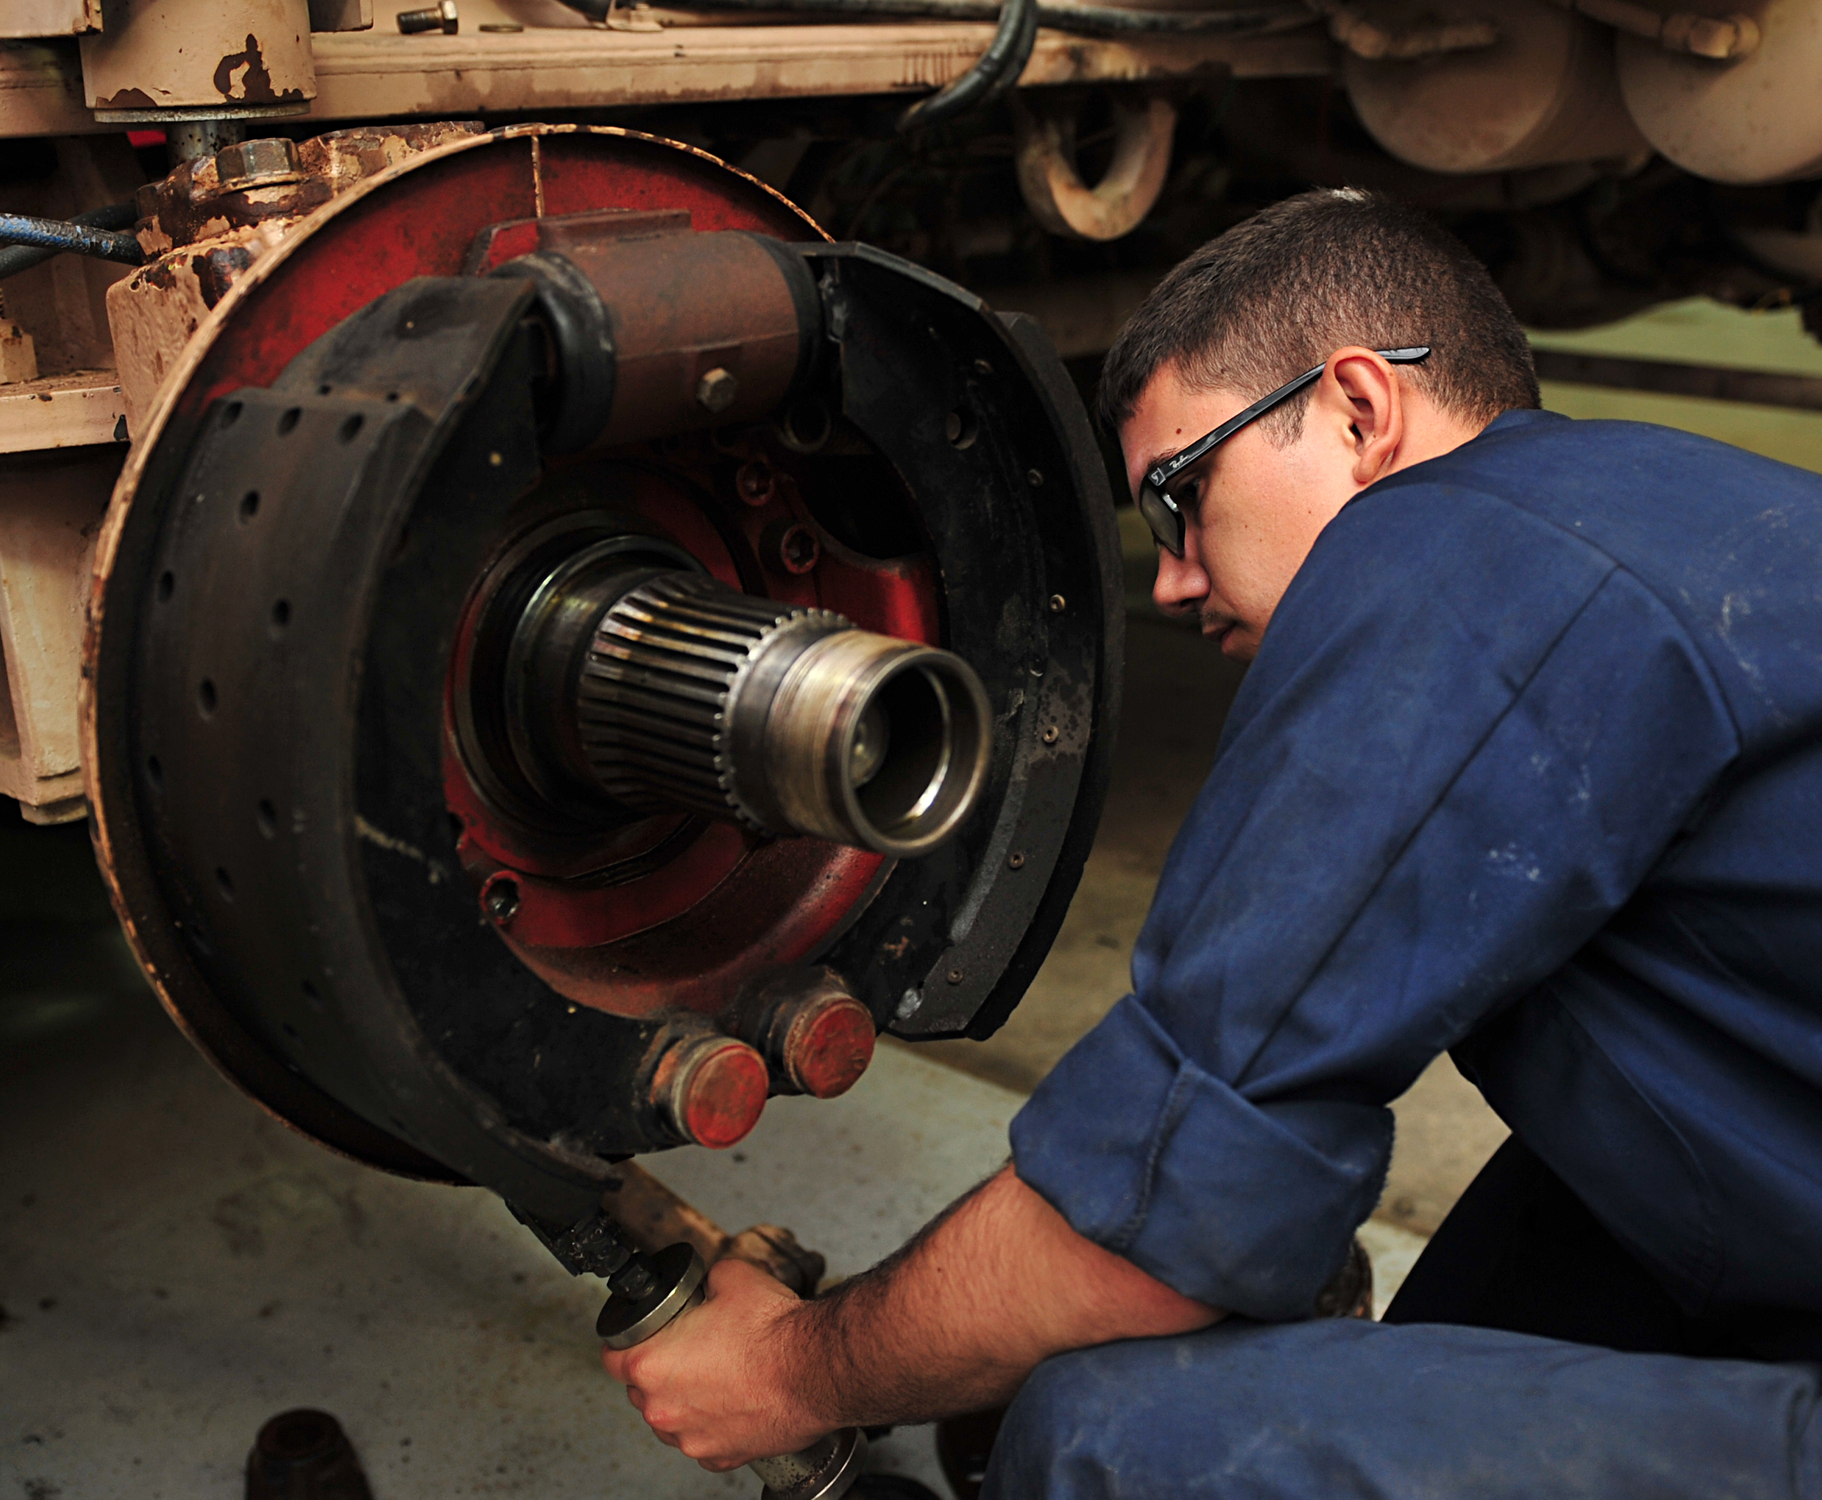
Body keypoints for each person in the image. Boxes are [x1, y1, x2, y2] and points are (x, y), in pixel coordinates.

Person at [601, 187, 1822, 1497]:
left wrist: (786, 1369)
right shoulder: (1676, 509)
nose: (1171, 580)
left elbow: (1154, 1224)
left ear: (1359, 411)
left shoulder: (1460, 548)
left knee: (1111, 1438)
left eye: (1180, 497)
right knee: (1528, 1255)